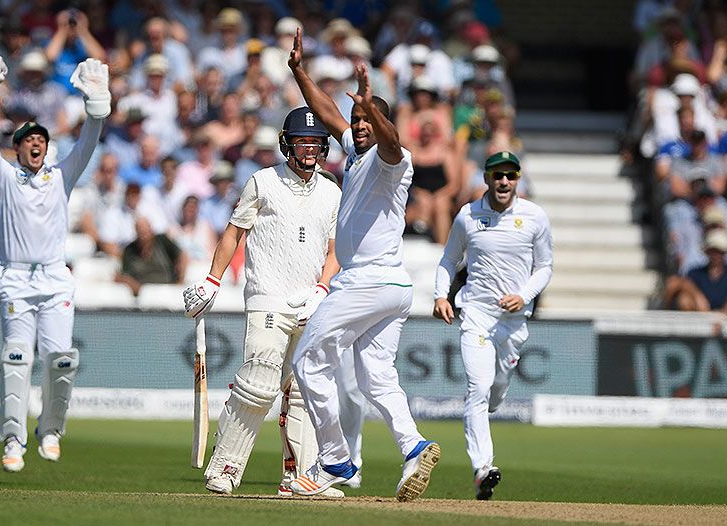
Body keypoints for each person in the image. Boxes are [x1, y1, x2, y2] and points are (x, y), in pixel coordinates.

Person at [285, 29, 441, 502]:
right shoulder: (355, 153)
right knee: (376, 377)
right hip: (389, 286)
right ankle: (414, 446)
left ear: (379, 120)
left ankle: (334, 459)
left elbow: (392, 140)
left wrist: (374, 108)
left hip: (366, 282)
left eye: (365, 120)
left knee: (308, 360)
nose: (358, 125)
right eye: (356, 120)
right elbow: (327, 114)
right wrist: (299, 72)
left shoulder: (394, 160)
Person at [182, 106, 344, 497]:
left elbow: (335, 250)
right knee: (258, 383)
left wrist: (322, 289)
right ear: (287, 144)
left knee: (304, 391)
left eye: (316, 142)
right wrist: (212, 280)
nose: (309, 149)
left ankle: (300, 477)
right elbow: (233, 232)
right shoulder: (263, 181)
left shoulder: (332, 191)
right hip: (267, 296)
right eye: (302, 141)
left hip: (310, 302)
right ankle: (225, 469)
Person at [0, 53, 110, 472]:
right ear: (16, 148)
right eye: (29, 140)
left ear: (47, 148)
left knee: (60, 360)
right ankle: (13, 440)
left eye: (42, 140)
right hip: (16, 278)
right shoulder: (4, 178)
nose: (36, 144)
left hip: (54, 278)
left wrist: (95, 108)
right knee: (16, 358)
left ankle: (50, 430)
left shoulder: (61, 177)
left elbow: (88, 142)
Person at [432, 151, 553, 500]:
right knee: (479, 388)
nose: (503, 182)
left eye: (510, 176)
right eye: (497, 175)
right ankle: (482, 469)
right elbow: (449, 259)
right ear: (486, 178)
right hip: (477, 314)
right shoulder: (468, 215)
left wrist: (523, 295)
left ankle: (492, 406)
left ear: (518, 180)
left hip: (513, 322)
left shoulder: (534, 216)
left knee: (496, 392)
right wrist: (441, 296)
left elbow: (544, 267)